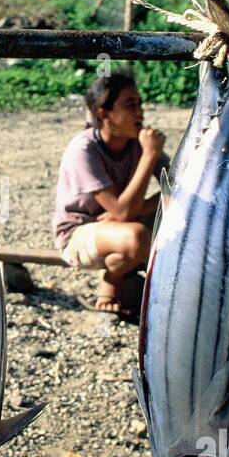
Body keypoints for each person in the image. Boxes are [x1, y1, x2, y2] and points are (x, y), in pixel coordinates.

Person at [53, 72, 168, 316]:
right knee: (137, 237)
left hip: (119, 228)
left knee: (181, 219)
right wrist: (149, 156)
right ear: (104, 114)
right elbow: (124, 211)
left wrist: (133, 211)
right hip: (78, 234)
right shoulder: (83, 149)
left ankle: (118, 271)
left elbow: (180, 190)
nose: (140, 113)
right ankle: (113, 281)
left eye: (140, 104)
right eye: (130, 105)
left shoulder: (138, 141)